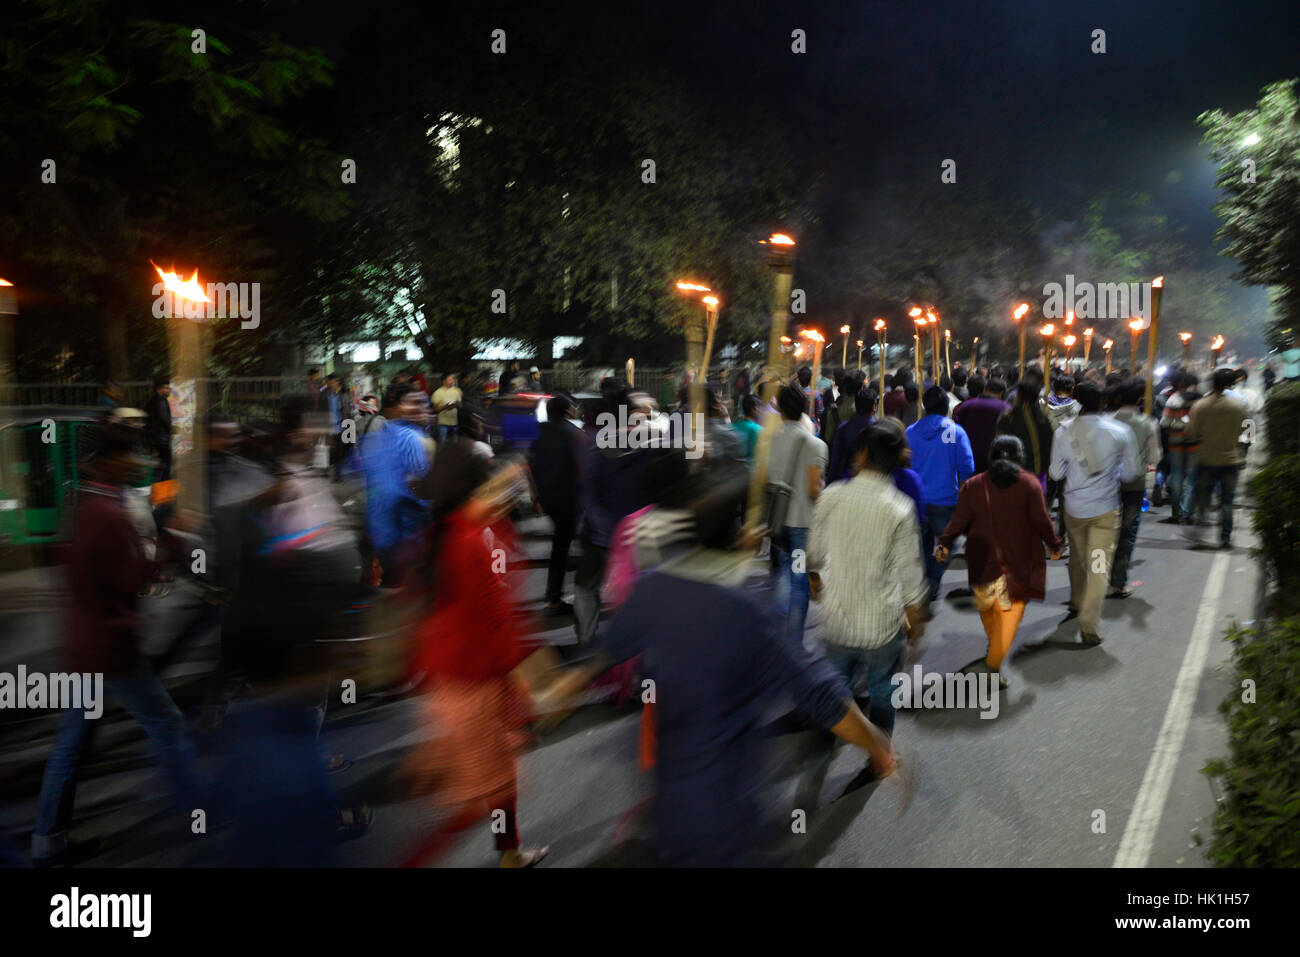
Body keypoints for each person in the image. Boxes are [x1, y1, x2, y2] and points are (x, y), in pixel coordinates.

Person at [31, 422, 205, 866]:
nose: (139, 462)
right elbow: (133, 580)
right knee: (166, 724)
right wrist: (171, 545)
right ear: (109, 461)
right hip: (111, 651)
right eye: (131, 454)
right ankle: (199, 816)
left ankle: (47, 842)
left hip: (85, 644)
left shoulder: (83, 504)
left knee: (71, 745)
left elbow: (70, 567)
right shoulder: (107, 514)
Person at [401, 460, 549, 868]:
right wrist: (523, 690)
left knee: (497, 783)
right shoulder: (468, 543)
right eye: (489, 492)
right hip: (475, 684)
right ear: (467, 496)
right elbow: (495, 623)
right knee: (478, 796)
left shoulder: (445, 533)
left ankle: (510, 852)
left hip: (451, 681)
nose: (499, 499)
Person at [808, 422, 929, 738]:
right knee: (883, 689)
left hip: (836, 619)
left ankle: (831, 735)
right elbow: (910, 575)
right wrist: (915, 621)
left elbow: (813, 556)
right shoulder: (900, 508)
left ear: (862, 455)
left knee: (836, 685)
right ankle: (881, 747)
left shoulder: (830, 497)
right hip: (881, 626)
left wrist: (816, 583)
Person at [936, 435, 1062, 683]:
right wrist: (1054, 545)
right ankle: (993, 663)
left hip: (982, 562)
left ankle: (994, 648)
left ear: (991, 456)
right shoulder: (1030, 484)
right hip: (1018, 565)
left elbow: (958, 520)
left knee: (988, 610)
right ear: (1020, 457)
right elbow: (1041, 520)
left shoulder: (973, 485)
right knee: (1009, 617)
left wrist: (945, 543)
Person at [1048, 381, 1139, 645]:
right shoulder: (1121, 431)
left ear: (1077, 402)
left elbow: (1056, 473)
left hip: (1074, 509)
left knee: (1077, 558)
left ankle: (1077, 601)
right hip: (1105, 510)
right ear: (1104, 402)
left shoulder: (1063, 431)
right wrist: (1113, 471)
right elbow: (1131, 473)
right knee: (1099, 567)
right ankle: (1089, 625)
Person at [574, 386, 653, 647]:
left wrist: (601, 528)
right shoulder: (651, 442)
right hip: (636, 532)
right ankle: (632, 644)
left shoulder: (596, 442)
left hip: (601, 533)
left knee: (586, 586)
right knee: (631, 590)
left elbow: (588, 490)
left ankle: (586, 639)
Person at [767, 383, 827, 644]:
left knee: (783, 575)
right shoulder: (815, 445)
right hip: (801, 526)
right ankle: (792, 644)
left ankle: (776, 637)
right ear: (805, 409)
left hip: (777, 522)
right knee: (799, 583)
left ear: (779, 409)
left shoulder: (767, 440)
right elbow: (814, 490)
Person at [906, 386, 975, 603]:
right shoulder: (955, 432)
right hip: (945, 500)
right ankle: (932, 582)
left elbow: (903, 464)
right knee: (947, 544)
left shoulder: (910, 432)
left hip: (916, 501)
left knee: (923, 546)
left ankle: (924, 582)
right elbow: (967, 467)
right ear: (946, 406)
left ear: (925, 406)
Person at [359, 382, 433, 586]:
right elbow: (421, 488)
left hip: (382, 532)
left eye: (423, 403)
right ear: (399, 406)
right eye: (414, 403)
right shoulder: (411, 438)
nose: (421, 408)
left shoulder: (382, 433)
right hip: (406, 533)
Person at [529, 394, 584, 613]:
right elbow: (583, 467)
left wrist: (534, 495)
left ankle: (555, 593)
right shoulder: (574, 433)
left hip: (547, 497)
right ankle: (554, 597)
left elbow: (530, 463)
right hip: (568, 497)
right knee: (564, 544)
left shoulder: (538, 431)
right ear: (567, 410)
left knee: (562, 543)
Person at [1185, 368, 1249, 550]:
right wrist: (1242, 449)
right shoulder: (1239, 405)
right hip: (1231, 459)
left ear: (1212, 383)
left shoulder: (1201, 405)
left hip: (1206, 458)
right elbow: (1248, 431)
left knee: (1203, 498)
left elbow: (1191, 432)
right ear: (1233, 383)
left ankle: (1199, 535)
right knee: (1227, 501)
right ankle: (1225, 538)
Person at [1109, 379, 1161, 597]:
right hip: (1135, 485)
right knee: (1127, 533)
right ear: (1141, 398)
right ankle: (1118, 582)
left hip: (1106, 485)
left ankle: (1097, 577)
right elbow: (1155, 457)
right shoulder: (1148, 423)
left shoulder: (1107, 421)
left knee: (1104, 532)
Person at [995, 374, 1054, 486]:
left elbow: (1000, 447)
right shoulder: (1043, 418)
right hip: (1040, 476)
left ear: (1018, 396)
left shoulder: (1008, 417)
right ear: (1037, 397)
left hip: (1015, 476)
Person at [1160, 372, 1203, 524]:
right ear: (1196, 384)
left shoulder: (1174, 399)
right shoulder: (1201, 400)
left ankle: (1175, 513)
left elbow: (1164, 423)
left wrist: (1174, 429)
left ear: (1181, 384)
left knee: (1176, 476)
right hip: (1195, 443)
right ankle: (1188, 512)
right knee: (1192, 478)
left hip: (1176, 443)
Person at [953, 374, 1009, 473]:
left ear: (985, 389)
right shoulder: (1006, 409)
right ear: (1001, 393)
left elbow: (955, 434)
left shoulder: (965, 406)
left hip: (968, 460)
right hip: (995, 464)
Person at [827, 389, 875, 483]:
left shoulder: (843, 428)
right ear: (874, 407)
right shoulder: (878, 430)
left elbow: (835, 462)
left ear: (856, 406)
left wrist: (830, 484)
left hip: (845, 480)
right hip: (870, 481)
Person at [144, 375, 173, 480]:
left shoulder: (151, 400)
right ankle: (163, 485)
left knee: (159, 463)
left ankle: (157, 482)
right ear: (160, 389)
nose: (169, 390)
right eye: (167, 388)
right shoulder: (161, 401)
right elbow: (164, 419)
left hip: (154, 437)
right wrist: (172, 429)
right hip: (162, 438)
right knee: (166, 464)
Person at [431, 373, 462, 444]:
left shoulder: (456, 391)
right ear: (444, 381)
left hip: (455, 422)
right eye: (450, 379)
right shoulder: (438, 393)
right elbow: (435, 409)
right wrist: (445, 407)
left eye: (453, 379)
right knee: (442, 443)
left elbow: (461, 405)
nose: (452, 381)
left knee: (455, 444)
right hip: (443, 423)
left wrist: (455, 405)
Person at [732, 392, 763, 462]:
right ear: (753, 409)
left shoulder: (733, 426)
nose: (759, 410)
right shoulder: (760, 430)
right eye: (758, 407)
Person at [796, 366, 824, 438]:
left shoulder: (795, 393)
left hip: (798, 429)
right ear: (810, 379)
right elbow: (821, 412)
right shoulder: (815, 394)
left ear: (799, 379)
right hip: (813, 430)